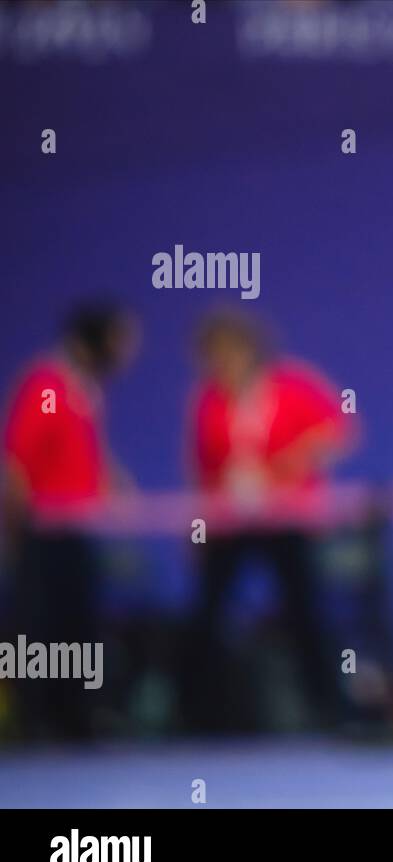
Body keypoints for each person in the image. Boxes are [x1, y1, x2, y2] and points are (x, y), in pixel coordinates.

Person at [181, 307, 354, 733]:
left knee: (305, 615)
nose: (219, 362)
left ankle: (330, 710)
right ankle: (197, 715)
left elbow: (338, 432)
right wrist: (197, 529)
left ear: (248, 348)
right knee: (207, 615)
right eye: (211, 355)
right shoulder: (208, 399)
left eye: (226, 351)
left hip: (286, 520)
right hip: (228, 524)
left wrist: (285, 465)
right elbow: (201, 467)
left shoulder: (291, 384)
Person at [2, 301, 139, 740]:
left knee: (78, 624)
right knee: (40, 629)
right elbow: (18, 458)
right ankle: (35, 719)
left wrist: (113, 482)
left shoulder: (84, 390)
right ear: (90, 341)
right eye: (119, 342)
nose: (126, 353)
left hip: (76, 529)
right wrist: (17, 527)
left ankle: (77, 716)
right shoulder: (47, 385)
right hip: (42, 531)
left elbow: (82, 453)